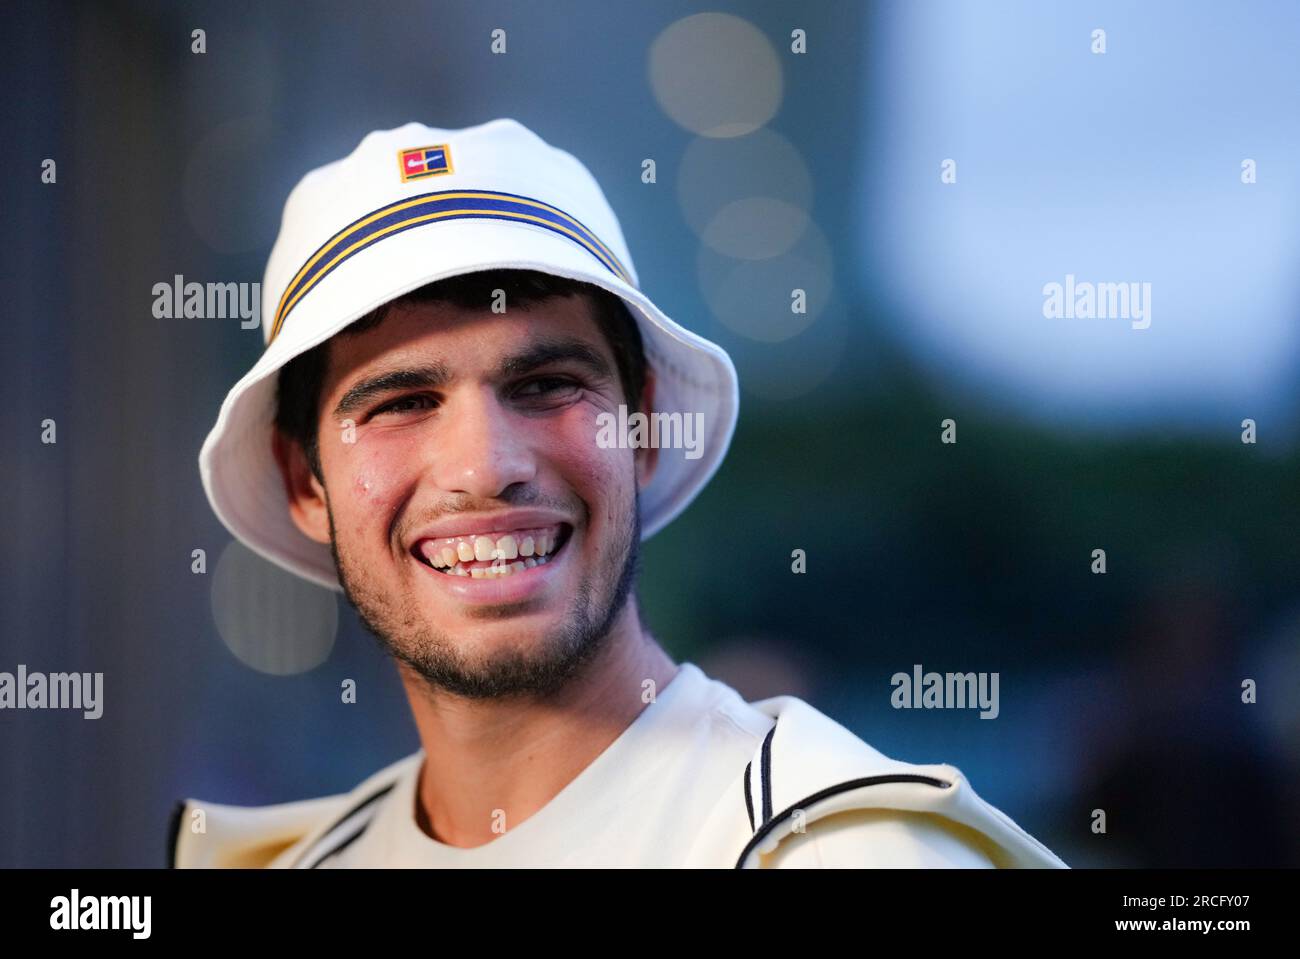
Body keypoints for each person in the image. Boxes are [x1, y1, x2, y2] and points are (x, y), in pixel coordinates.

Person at [176, 118, 1066, 868]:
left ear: (642, 427)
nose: (487, 468)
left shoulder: (840, 849)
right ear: (306, 483)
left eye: (546, 384)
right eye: (404, 402)